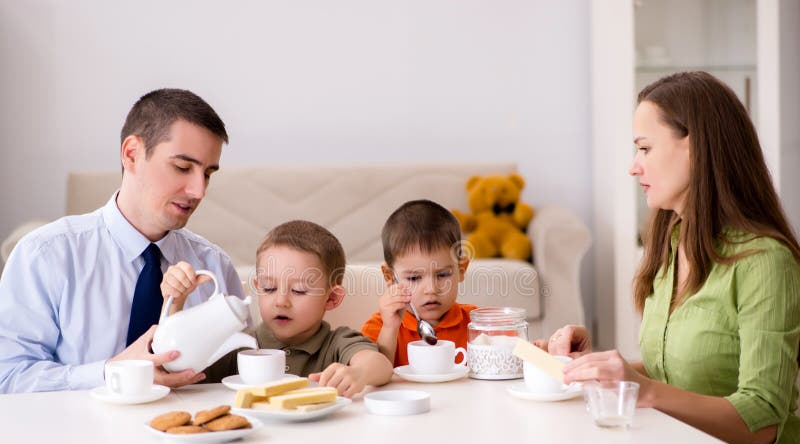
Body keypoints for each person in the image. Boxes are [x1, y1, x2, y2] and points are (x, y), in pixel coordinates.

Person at [541, 72, 800, 444]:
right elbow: (679, 372)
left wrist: (644, 390)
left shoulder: (764, 261)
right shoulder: (672, 239)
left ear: (694, 148)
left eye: (644, 148)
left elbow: (762, 423)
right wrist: (602, 367)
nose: (633, 167)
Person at [0, 89, 244, 393]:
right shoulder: (46, 256)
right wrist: (110, 373)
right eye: (182, 167)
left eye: (207, 174)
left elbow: (238, 377)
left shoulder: (215, 267)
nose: (199, 190)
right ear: (131, 154)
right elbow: (8, 377)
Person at [168, 220, 394, 398]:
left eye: (298, 291)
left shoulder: (338, 343)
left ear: (332, 298)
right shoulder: (238, 344)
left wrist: (358, 373)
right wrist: (175, 303)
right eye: (269, 288)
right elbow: (180, 369)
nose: (281, 301)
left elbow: (380, 365)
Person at [361, 199, 476, 366]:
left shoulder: (477, 324)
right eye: (414, 278)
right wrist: (390, 329)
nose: (431, 289)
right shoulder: (379, 327)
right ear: (390, 277)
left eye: (442, 274)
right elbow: (371, 373)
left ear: (461, 270)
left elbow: (515, 354)